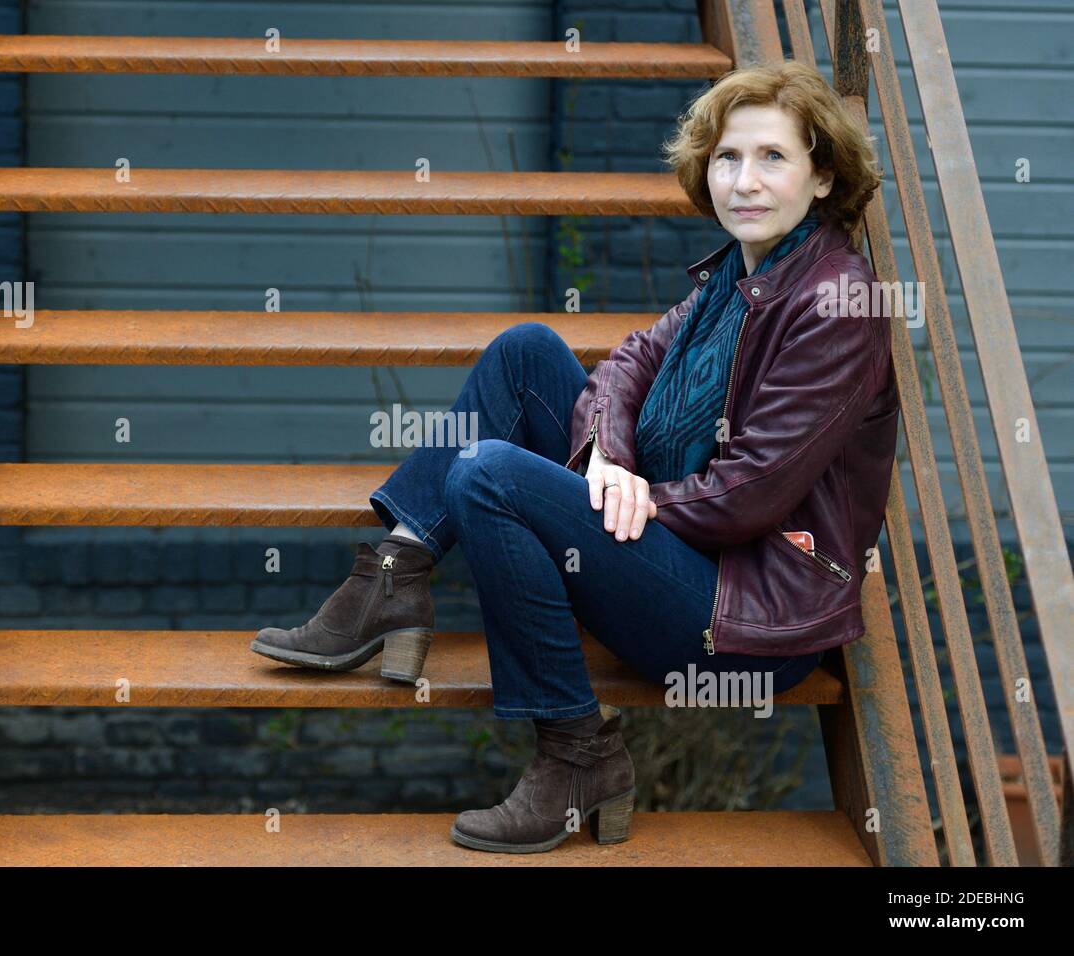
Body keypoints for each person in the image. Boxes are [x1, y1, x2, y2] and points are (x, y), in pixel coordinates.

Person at [251, 59, 896, 854]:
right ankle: (397, 571)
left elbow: (751, 492)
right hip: (665, 535)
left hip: (743, 614)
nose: (744, 181)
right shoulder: (741, 274)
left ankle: (578, 753)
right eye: (729, 157)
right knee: (525, 354)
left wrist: (639, 501)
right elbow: (624, 368)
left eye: (773, 158)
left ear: (823, 175)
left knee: (487, 474)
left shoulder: (834, 304)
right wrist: (605, 459)